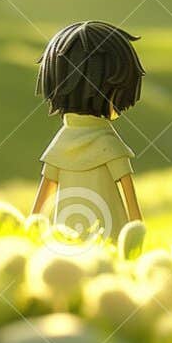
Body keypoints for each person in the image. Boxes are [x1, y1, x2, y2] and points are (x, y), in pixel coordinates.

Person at [30, 21, 144, 235]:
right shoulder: (110, 145)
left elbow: (39, 206)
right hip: (107, 237)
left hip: (65, 241)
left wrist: (30, 232)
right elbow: (132, 208)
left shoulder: (59, 148)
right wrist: (136, 237)